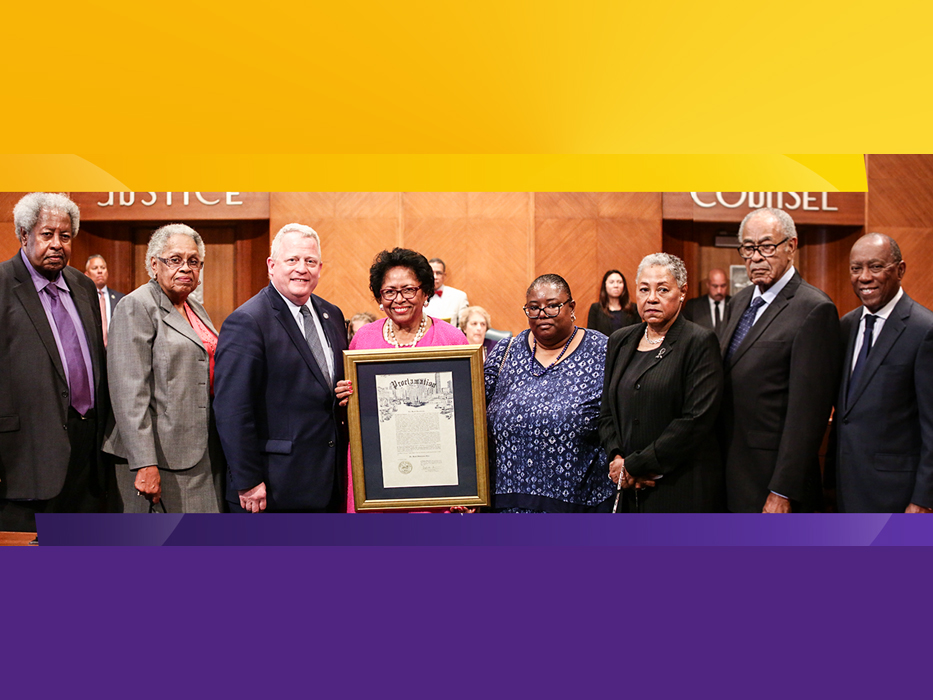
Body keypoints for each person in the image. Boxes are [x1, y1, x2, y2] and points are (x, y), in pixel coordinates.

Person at [214, 224, 347, 513]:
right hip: (272, 487)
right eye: (292, 260)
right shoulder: (248, 320)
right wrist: (248, 480)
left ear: (320, 268)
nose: (302, 268)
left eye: (310, 261)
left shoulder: (332, 314)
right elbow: (231, 409)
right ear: (272, 266)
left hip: (328, 481)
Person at [718, 208, 841, 513]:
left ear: (791, 246)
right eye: (748, 248)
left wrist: (782, 490)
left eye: (767, 246)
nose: (756, 257)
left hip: (773, 481)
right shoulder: (740, 302)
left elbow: (808, 414)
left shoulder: (814, 309)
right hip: (729, 469)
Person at [0, 193, 108, 531]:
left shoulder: (84, 286)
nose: (57, 244)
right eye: (47, 234)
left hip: (87, 456)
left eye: (65, 235)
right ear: (24, 235)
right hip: (23, 459)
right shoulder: (3, 285)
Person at [335, 248, 468, 512]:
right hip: (375, 473)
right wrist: (343, 398)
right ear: (379, 297)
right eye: (389, 292)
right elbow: (353, 414)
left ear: (425, 292)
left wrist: (466, 485)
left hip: (439, 477)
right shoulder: (363, 341)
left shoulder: (451, 340)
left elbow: (466, 418)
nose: (399, 299)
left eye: (409, 290)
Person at [103, 224, 224, 513]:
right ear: (154, 265)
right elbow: (128, 393)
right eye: (175, 259)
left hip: (199, 452)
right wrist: (144, 462)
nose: (185, 268)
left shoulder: (194, 305)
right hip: (156, 458)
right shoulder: (136, 305)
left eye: (193, 261)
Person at [600, 254, 724, 512]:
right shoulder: (620, 341)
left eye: (663, 289)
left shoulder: (699, 341)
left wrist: (635, 465)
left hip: (678, 487)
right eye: (644, 289)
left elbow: (695, 421)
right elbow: (606, 413)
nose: (651, 298)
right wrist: (616, 458)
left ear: (682, 292)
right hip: (628, 488)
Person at [484, 274, 614, 512]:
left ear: (571, 307)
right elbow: (470, 413)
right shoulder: (505, 352)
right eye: (533, 308)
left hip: (577, 507)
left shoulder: (602, 351)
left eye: (552, 306)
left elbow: (621, 416)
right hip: (504, 506)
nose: (542, 314)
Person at [826, 233, 933, 513]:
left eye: (875, 267)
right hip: (845, 489)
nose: (864, 277)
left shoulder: (924, 330)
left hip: (898, 497)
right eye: (856, 268)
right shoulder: (845, 326)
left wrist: (924, 499)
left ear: (900, 270)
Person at [84, 254, 124, 347]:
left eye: (103, 268)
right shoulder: (82, 299)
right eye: (95, 268)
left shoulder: (121, 299)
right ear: (86, 274)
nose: (99, 271)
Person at [587, 269, 639, 335]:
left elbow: (638, 334)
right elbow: (592, 335)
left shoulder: (633, 308)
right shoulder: (596, 308)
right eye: (611, 282)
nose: (616, 286)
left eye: (619, 282)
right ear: (605, 285)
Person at [424, 257, 469, 326]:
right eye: (432, 273)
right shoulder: (418, 295)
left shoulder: (459, 296)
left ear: (444, 276)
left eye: (438, 273)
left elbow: (464, 326)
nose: (435, 277)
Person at [682, 268, 730, 333]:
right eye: (715, 286)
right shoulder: (693, 306)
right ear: (708, 285)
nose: (719, 291)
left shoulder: (735, 304)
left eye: (723, 286)